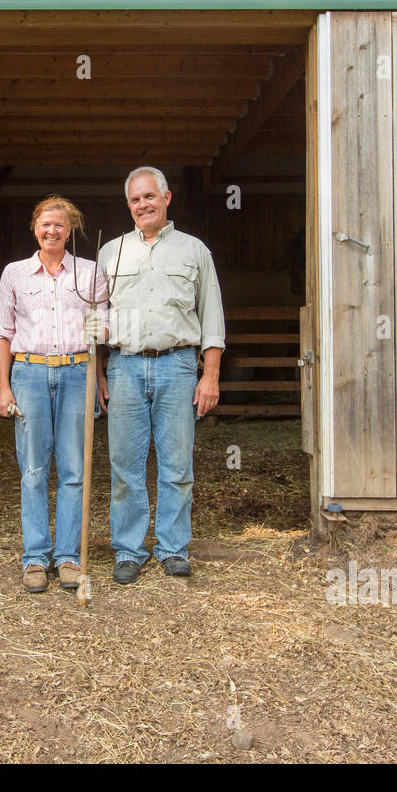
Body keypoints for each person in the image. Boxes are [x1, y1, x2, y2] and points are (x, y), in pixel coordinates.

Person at [96, 166, 225, 584]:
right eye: (135, 200)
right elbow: (96, 319)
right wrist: (97, 373)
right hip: (125, 367)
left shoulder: (194, 251)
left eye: (149, 197)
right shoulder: (111, 252)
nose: (142, 205)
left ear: (167, 198)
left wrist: (210, 376)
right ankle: (129, 550)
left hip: (178, 364)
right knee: (125, 466)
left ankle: (172, 548)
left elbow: (212, 317)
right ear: (128, 205)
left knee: (176, 464)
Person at [0, 196, 108, 594]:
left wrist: (101, 334)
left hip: (78, 372)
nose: (52, 231)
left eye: (60, 225)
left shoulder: (91, 273)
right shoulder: (15, 274)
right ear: (34, 228)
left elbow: (105, 326)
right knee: (34, 470)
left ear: (70, 229)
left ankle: (68, 558)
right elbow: (3, 334)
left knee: (75, 468)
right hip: (29, 372)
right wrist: (4, 387)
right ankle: (35, 559)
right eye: (45, 224)